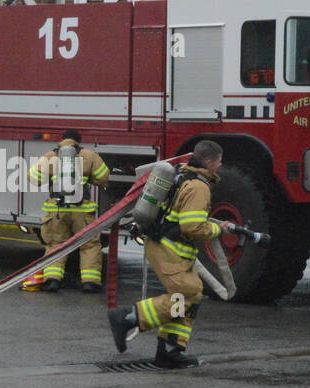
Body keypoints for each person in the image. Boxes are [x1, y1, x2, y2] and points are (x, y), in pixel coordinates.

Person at [107, 139, 227, 368]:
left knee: (190, 296)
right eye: (219, 161)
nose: (221, 166)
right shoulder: (199, 187)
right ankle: (127, 318)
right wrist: (216, 229)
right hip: (170, 249)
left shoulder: (182, 175)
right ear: (209, 162)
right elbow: (191, 226)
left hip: (165, 246)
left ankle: (169, 351)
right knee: (188, 296)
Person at [21, 130, 110, 293]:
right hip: (82, 210)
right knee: (89, 245)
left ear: (62, 141)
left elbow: (33, 177)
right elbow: (104, 177)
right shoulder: (89, 155)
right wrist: (89, 177)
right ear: (78, 141)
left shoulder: (50, 156)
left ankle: (52, 280)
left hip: (57, 210)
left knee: (56, 244)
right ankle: (90, 282)